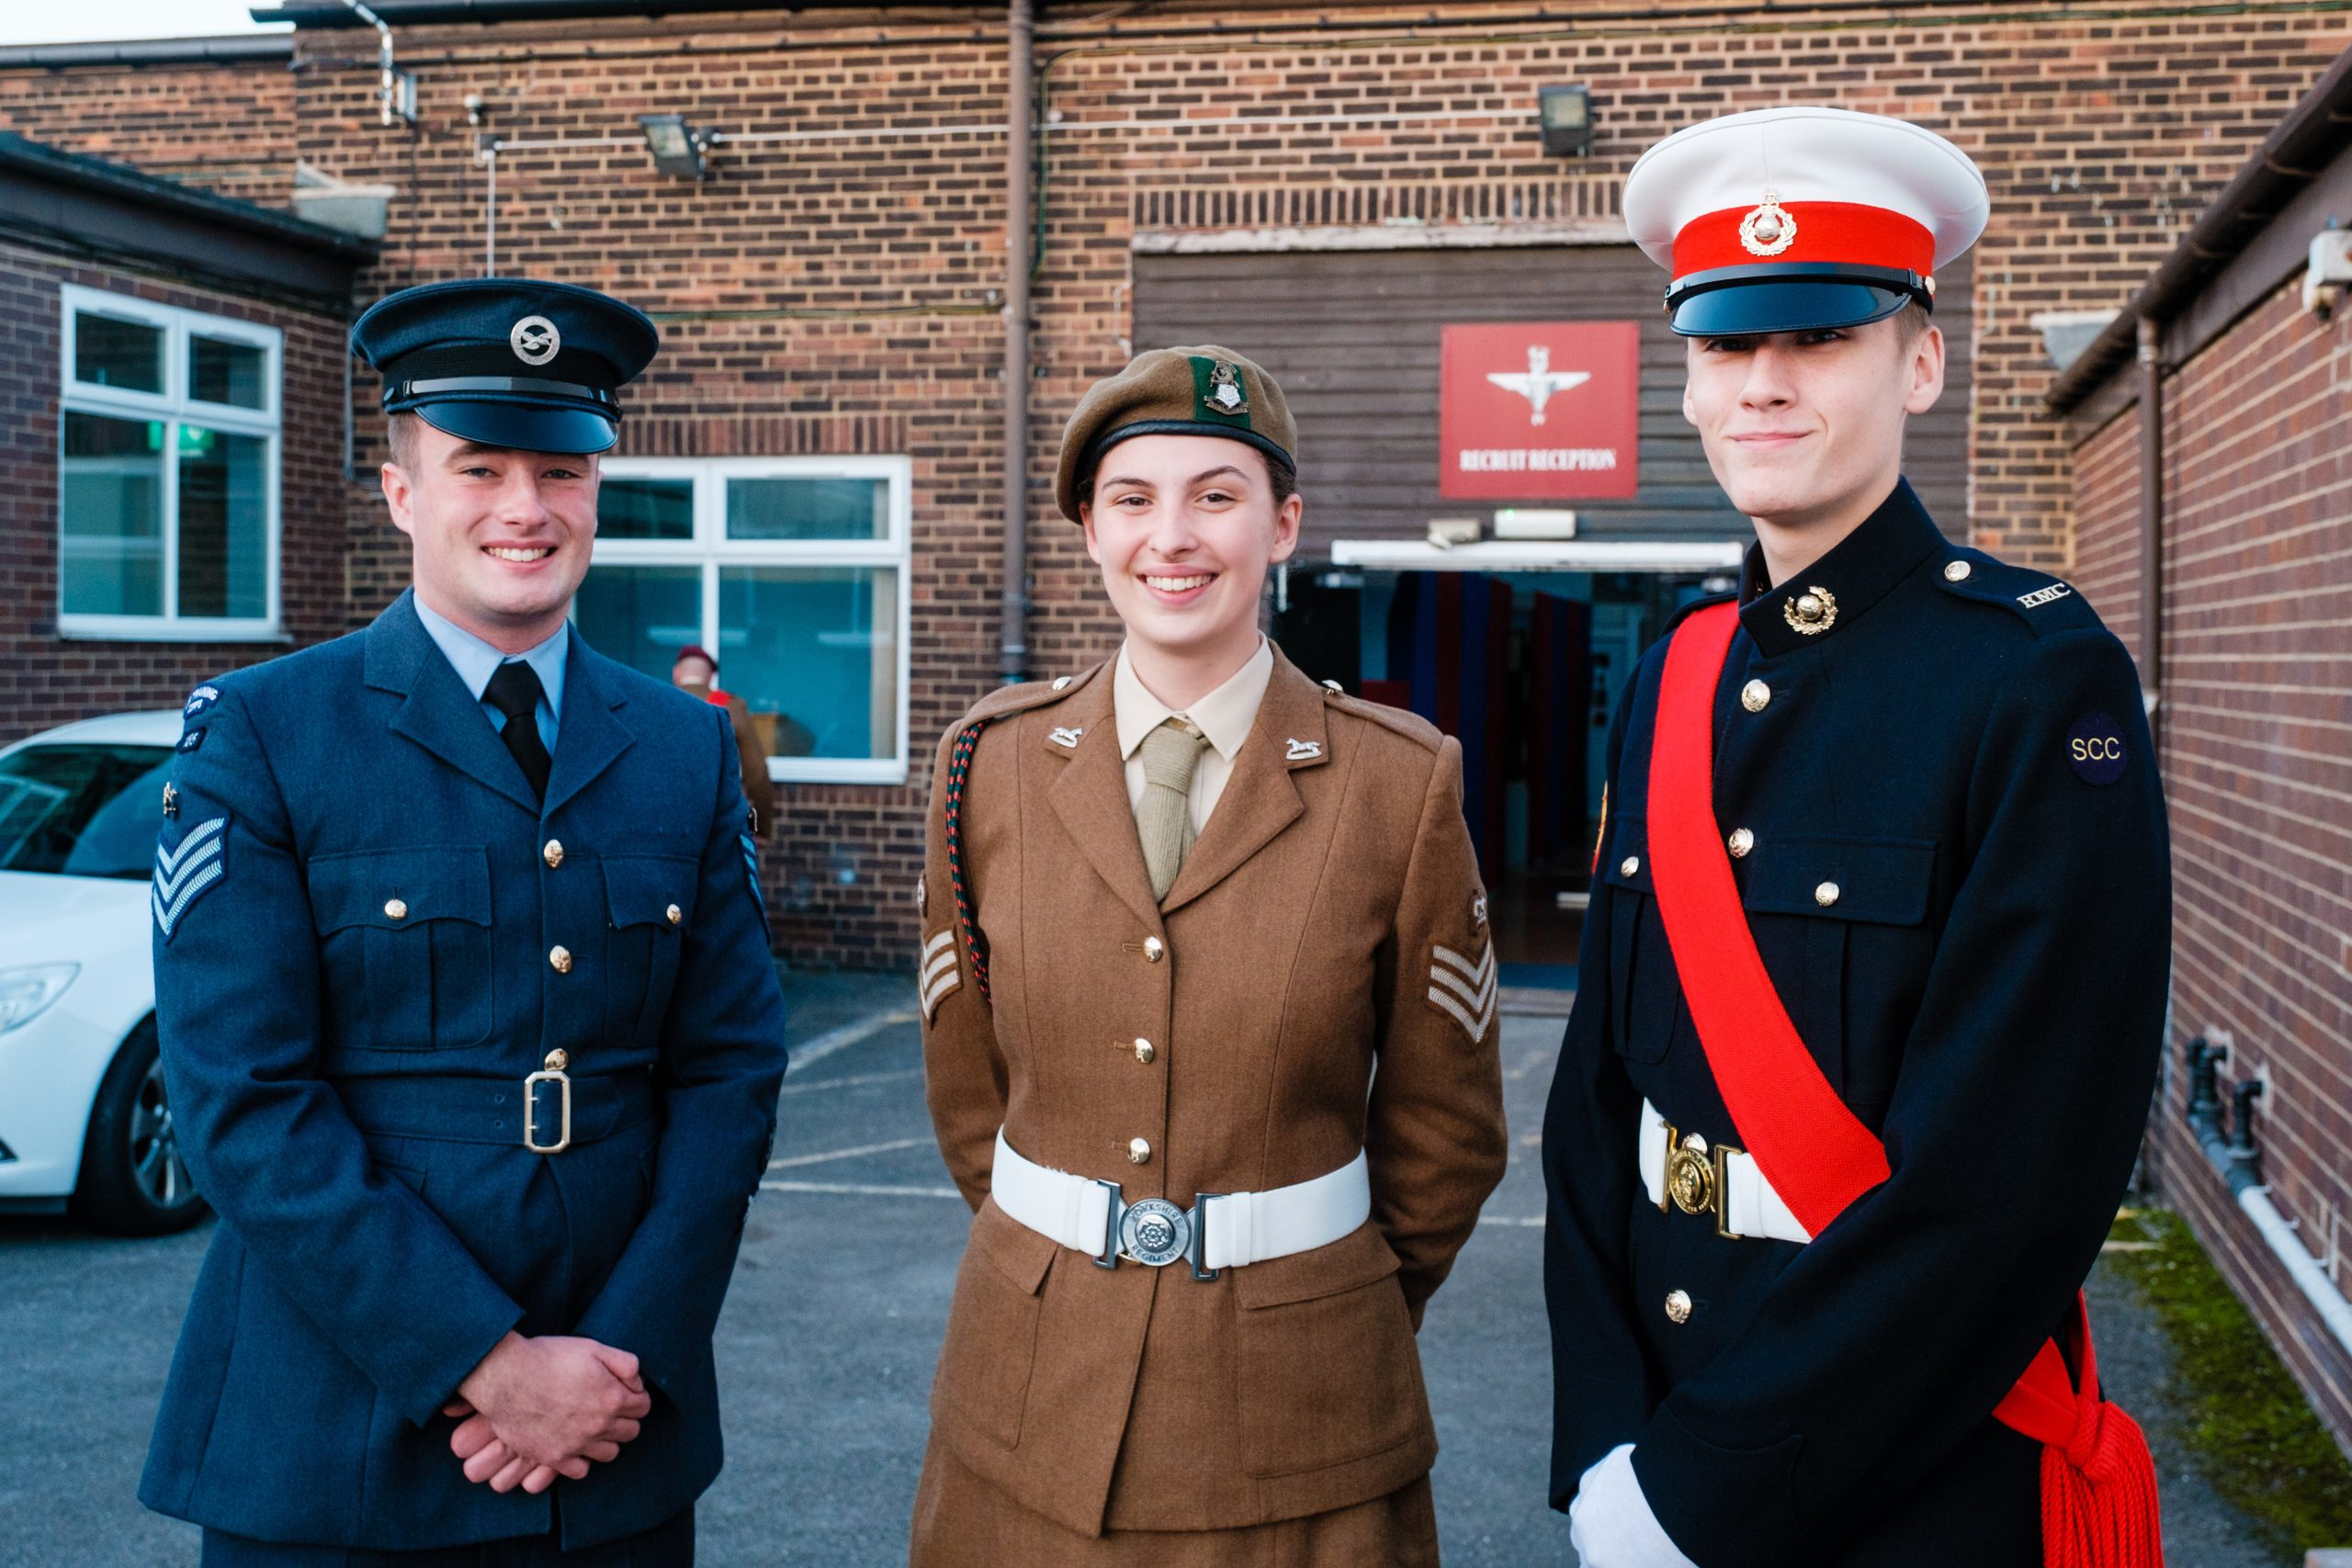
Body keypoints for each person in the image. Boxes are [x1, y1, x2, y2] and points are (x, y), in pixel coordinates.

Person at [1542, 108, 2171, 1568]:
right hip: (1652, 1423)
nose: (1763, 383)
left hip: (1907, 1470)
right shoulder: (1675, 671)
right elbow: (1596, 1102)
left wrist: (1700, 1490)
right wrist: (1601, 1443)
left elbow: (2011, 1179)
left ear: (1923, 363)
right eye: (1722, 346)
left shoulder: (2032, 673)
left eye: (1820, 337)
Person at [140, 277, 791, 1567]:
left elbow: (729, 1071)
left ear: (597, 492)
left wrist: (618, 1366)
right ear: (401, 493)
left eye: (560, 469)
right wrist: (482, 1362)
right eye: (478, 466)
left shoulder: (681, 746)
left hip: (615, 1433)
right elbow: (242, 1100)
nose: (524, 508)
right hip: (337, 1440)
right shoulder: (266, 733)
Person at [908, 347, 1509, 1565]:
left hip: (1304, 1428)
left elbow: (1446, 1134)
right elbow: (970, 1092)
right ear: (1088, 528)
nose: (1171, 537)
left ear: (1283, 524)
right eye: (1132, 498)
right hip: (1029, 1403)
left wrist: (1328, 1309)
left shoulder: (1396, 783)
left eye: (1217, 495)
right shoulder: (991, 766)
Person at [671, 644, 774, 838]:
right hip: (718, 823)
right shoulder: (731, 707)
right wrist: (761, 829)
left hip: (668, 820)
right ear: (710, 677)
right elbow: (756, 772)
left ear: (676, 673)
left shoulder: (658, 704)